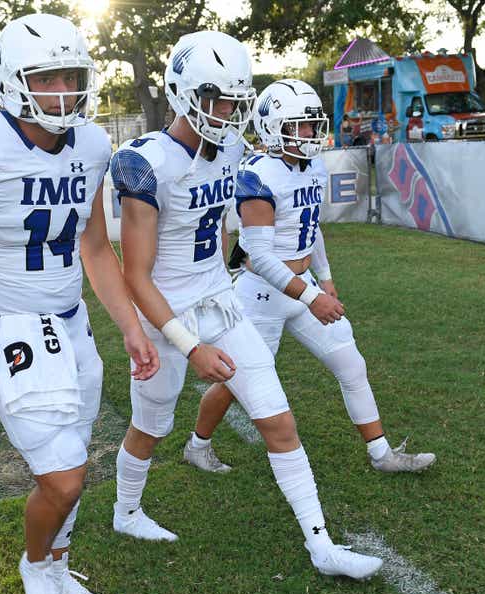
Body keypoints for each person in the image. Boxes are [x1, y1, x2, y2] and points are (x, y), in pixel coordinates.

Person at [0, 13, 158, 594]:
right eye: (46, 78)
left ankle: (58, 564)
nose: (63, 92)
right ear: (12, 80)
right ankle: (34, 567)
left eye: (70, 77)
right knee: (64, 477)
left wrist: (130, 326)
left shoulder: (92, 145)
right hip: (8, 327)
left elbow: (95, 247)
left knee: (74, 460)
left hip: (71, 323)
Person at [108, 31, 383, 580]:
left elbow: (240, 222)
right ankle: (127, 512)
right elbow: (134, 275)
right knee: (150, 426)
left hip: (221, 300)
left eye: (235, 101)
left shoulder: (235, 150)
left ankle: (322, 546)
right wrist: (190, 348)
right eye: (216, 100)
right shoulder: (145, 162)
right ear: (183, 92)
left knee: (278, 420)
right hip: (164, 312)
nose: (227, 113)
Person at [183, 78, 435, 477]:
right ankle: (197, 446)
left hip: (303, 288)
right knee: (233, 381)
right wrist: (311, 297)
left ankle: (381, 453)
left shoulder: (312, 166)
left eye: (313, 124)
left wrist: (325, 277)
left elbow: (310, 226)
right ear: (272, 127)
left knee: (351, 365)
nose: (309, 133)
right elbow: (261, 256)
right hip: (261, 294)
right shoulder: (258, 176)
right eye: (299, 125)